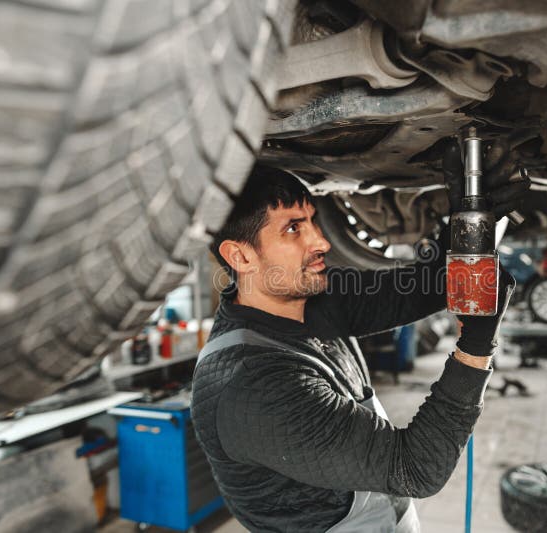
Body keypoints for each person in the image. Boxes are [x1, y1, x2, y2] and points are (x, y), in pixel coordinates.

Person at [191, 145, 527, 532]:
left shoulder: (308, 299)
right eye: (293, 228)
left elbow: (426, 286)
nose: (321, 242)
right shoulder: (253, 386)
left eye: (313, 221)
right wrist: (475, 349)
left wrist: (467, 217)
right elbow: (416, 468)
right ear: (241, 256)